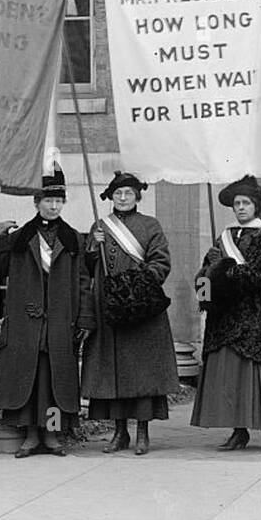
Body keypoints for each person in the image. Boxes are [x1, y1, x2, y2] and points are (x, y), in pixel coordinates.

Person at [79, 172, 182, 455]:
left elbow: (161, 262)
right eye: (117, 194)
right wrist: (92, 247)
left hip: (141, 310)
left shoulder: (151, 226)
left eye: (128, 193)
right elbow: (88, 269)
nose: (123, 198)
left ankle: (142, 433)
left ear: (137, 196)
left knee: (142, 375)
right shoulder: (100, 227)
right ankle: (120, 432)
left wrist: (135, 289)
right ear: (111, 197)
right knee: (114, 375)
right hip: (109, 311)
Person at [0, 169, 84, 458]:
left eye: (58, 201)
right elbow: (1, 268)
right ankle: (30, 436)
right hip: (26, 322)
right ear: (36, 202)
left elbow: (83, 281)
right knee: (30, 380)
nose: (53, 206)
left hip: (59, 321)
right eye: (48, 201)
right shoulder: (20, 238)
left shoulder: (73, 239)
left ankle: (52, 435)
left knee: (54, 382)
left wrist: (81, 318)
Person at [191, 175, 261, 453]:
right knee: (231, 376)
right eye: (237, 203)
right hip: (223, 315)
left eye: (246, 203)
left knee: (258, 375)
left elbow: (260, 274)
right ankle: (239, 431)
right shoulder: (223, 236)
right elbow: (204, 279)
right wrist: (207, 274)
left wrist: (221, 270)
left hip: (250, 314)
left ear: (257, 207)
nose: (241, 208)